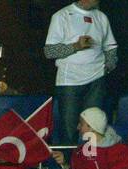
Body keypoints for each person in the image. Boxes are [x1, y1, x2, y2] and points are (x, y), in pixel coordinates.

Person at [44, 0, 118, 144]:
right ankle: (68, 165)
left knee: (94, 128)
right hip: (69, 81)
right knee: (69, 128)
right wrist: (76, 46)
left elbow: (111, 46)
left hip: (96, 79)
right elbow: (49, 51)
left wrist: (108, 66)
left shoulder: (101, 17)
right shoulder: (61, 15)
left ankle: (90, 164)